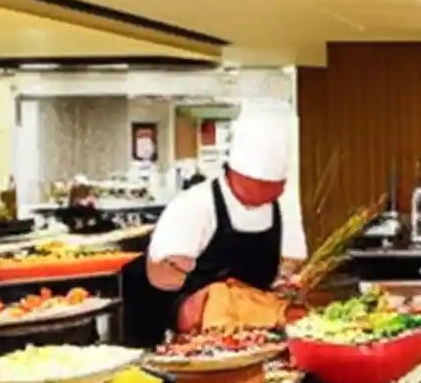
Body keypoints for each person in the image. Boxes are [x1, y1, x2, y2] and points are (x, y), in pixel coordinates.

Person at [120, 104, 306, 346]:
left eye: (272, 189)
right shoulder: (193, 206)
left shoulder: (284, 208)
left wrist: (287, 286)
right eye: (254, 187)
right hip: (195, 337)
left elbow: (290, 269)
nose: (263, 198)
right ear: (232, 173)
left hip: (258, 336)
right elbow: (157, 283)